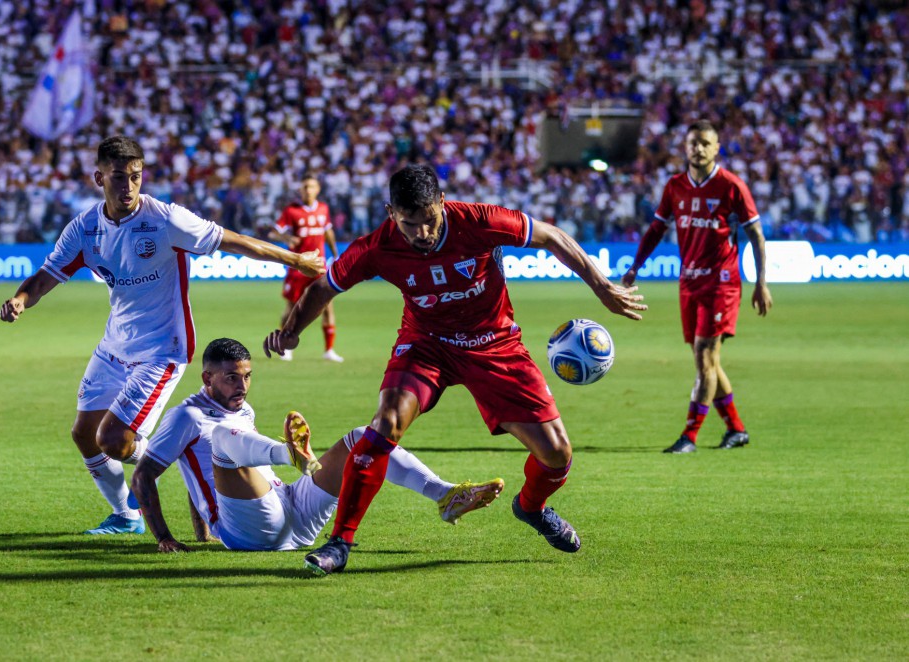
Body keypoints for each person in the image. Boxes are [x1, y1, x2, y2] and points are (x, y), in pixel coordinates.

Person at [263, 164, 647, 576]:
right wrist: (291, 332)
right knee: (384, 424)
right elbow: (325, 286)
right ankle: (339, 543)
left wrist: (602, 286)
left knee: (556, 454)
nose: (423, 233)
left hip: (496, 345)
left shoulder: (479, 221)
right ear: (392, 213)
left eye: (430, 220)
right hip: (426, 345)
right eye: (411, 224)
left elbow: (552, 236)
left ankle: (531, 507)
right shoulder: (378, 246)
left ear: (442, 204)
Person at [0, 136, 324, 535]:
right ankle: (125, 515)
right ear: (99, 177)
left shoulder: (166, 218)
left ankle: (189, 453)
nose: (129, 186)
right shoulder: (85, 229)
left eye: (136, 177)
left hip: (162, 349)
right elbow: (48, 275)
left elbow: (232, 240)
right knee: (83, 434)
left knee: (114, 439)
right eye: (119, 177)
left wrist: (293, 259)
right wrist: (20, 300)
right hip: (114, 345)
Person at [130, 338, 505, 552]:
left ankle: (444, 495)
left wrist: (201, 532)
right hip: (249, 529)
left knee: (364, 437)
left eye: (247, 377)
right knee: (224, 441)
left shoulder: (241, 408)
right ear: (207, 378)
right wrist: (165, 538)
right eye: (231, 378)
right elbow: (145, 475)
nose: (242, 387)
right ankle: (288, 454)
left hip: (291, 507)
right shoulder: (186, 416)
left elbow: (200, 474)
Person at [621, 120, 772, 454]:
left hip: (721, 284)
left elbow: (756, 236)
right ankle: (736, 429)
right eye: (693, 143)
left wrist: (761, 283)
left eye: (705, 143)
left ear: (717, 148)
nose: (699, 148)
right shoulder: (675, 186)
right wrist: (635, 266)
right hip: (688, 282)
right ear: (685, 147)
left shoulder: (731, 186)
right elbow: (656, 230)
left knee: (705, 357)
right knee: (709, 364)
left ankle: (689, 436)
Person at [268, 174, 343, 362]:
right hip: (298, 266)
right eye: (305, 187)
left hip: (319, 266)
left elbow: (328, 232)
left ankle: (329, 350)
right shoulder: (291, 211)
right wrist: (288, 238)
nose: (308, 190)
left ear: (317, 189)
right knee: (292, 308)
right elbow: (274, 232)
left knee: (327, 306)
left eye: (311, 186)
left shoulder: (323, 209)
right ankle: (285, 347)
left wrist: (335, 254)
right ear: (300, 190)